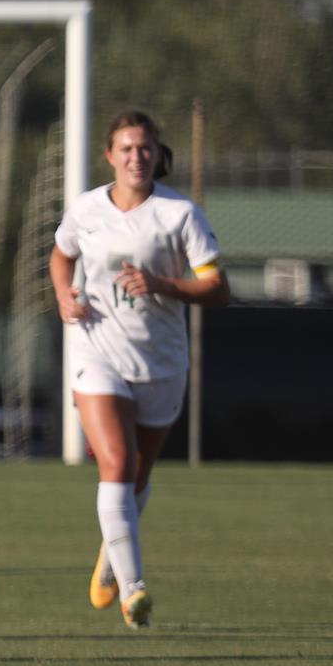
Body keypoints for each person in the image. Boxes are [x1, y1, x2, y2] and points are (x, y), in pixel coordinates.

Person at [49, 110, 228, 629]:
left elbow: (218, 288)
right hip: (95, 349)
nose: (135, 157)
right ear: (109, 155)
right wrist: (64, 296)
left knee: (137, 475)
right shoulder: (86, 208)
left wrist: (162, 284)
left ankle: (113, 549)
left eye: (144, 148)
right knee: (118, 463)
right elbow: (61, 256)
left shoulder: (180, 215)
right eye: (125, 148)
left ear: (156, 154)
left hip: (161, 360)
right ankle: (134, 590)